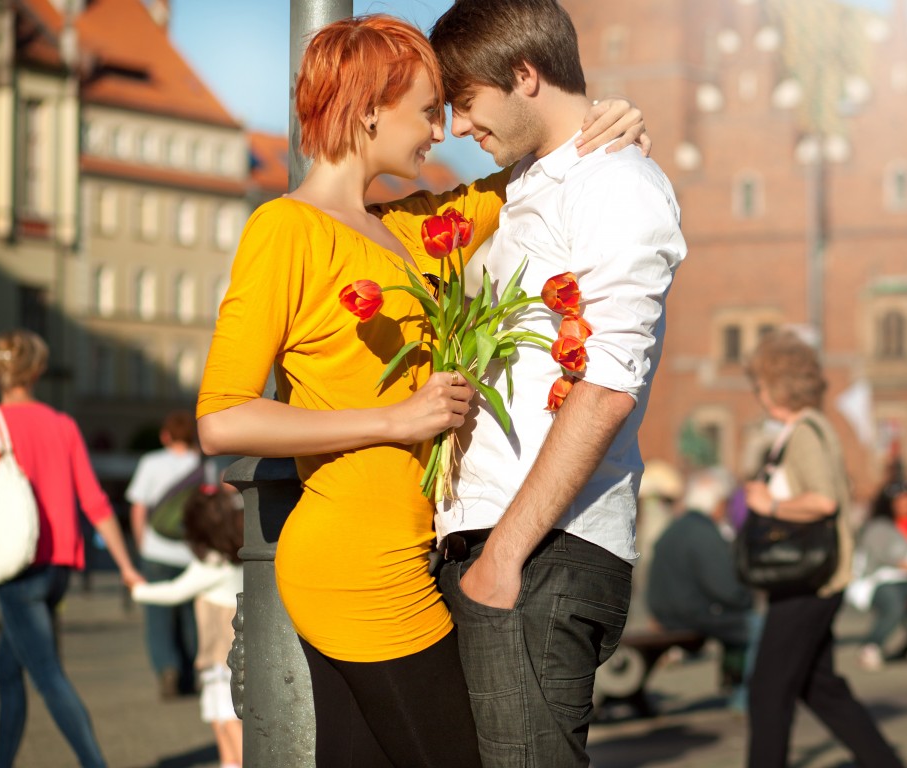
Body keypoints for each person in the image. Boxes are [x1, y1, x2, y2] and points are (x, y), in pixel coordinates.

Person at [195, 14, 646, 767]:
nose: (443, 131)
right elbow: (223, 418)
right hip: (357, 564)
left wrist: (615, 118)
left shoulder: (408, 229)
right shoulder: (286, 230)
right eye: (428, 109)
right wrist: (396, 417)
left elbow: (548, 155)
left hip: (403, 552)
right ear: (369, 106)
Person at [423, 2, 686, 765]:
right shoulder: (525, 187)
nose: (460, 128)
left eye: (466, 102)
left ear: (525, 75)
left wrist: (503, 558)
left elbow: (607, 383)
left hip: (542, 549)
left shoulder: (616, 184)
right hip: (499, 544)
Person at [0, 329, 143, 768]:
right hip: (60, 567)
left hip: (18, 569)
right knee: (7, 670)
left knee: (48, 677)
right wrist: (126, 566)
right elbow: (95, 503)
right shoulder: (62, 425)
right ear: (38, 371)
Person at [739, 330, 905, 768]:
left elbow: (824, 500)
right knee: (821, 687)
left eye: (758, 382)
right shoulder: (811, 428)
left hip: (805, 583)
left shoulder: (805, 432)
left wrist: (768, 503)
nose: (756, 392)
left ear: (774, 385)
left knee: (768, 693)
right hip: (817, 581)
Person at [133, 485, 246, 768]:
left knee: (226, 720)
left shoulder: (209, 565)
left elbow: (174, 592)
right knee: (221, 717)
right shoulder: (237, 560)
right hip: (230, 656)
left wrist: (138, 589)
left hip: (220, 658)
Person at [647, 467, 754, 694]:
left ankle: (733, 683)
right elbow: (725, 588)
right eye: (723, 503)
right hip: (691, 615)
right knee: (755, 626)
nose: (725, 509)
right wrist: (748, 597)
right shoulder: (704, 533)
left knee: (743, 623)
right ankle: (743, 696)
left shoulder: (675, 527)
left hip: (666, 611)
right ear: (715, 503)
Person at [127, 410, 202, 699]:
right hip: (192, 553)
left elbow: (138, 507)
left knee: (158, 616)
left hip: (156, 551)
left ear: (165, 436)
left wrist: (141, 543)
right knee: (190, 617)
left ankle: (167, 669)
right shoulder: (202, 464)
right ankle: (192, 673)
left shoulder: (151, 462)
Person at [855, 483, 907, 671]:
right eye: (901, 502)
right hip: (880, 579)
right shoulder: (879, 527)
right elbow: (883, 555)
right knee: (894, 604)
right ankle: (871, 646)